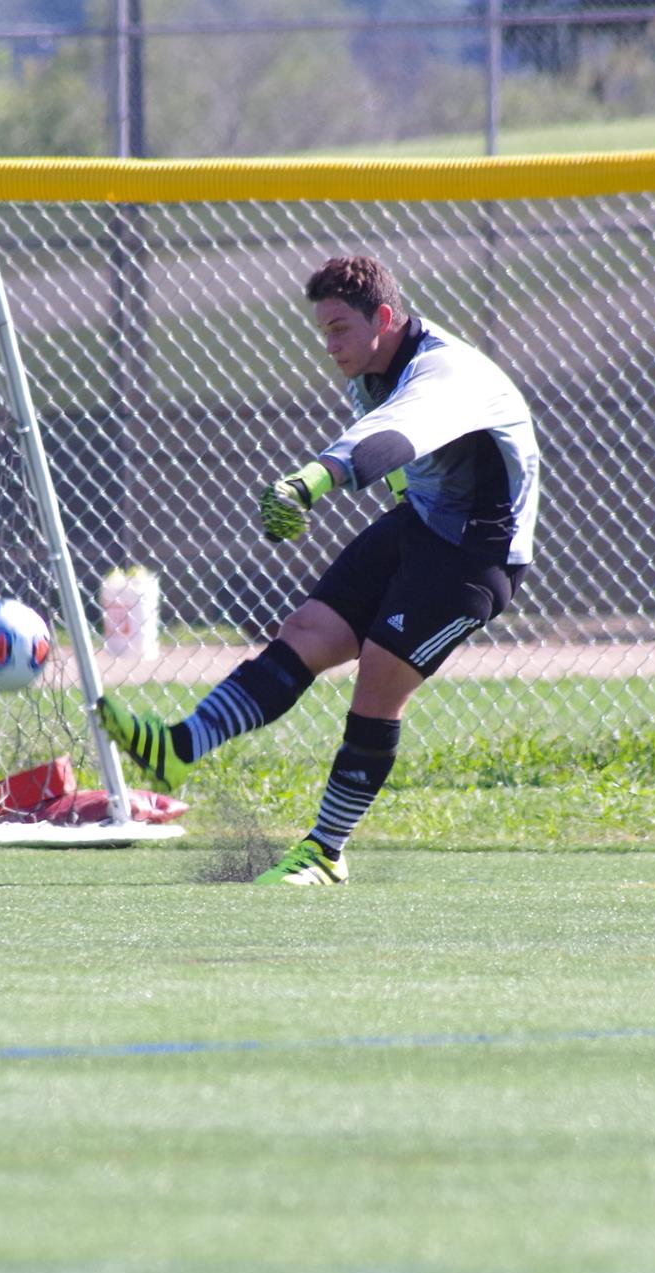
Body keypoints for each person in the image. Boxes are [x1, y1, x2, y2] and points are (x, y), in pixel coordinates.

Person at [96, 255, 540, 884]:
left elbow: (395, 438)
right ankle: (178, 748)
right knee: (306, 633)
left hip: (477, 555)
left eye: (339, 329)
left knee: (380, 676)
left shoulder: (448, 372)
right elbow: (399, 460)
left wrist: (310, 482)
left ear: (383, 318)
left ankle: (326, 851)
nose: (330, 345)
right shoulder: (371, 369)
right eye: (322, 331)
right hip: (420, 525)